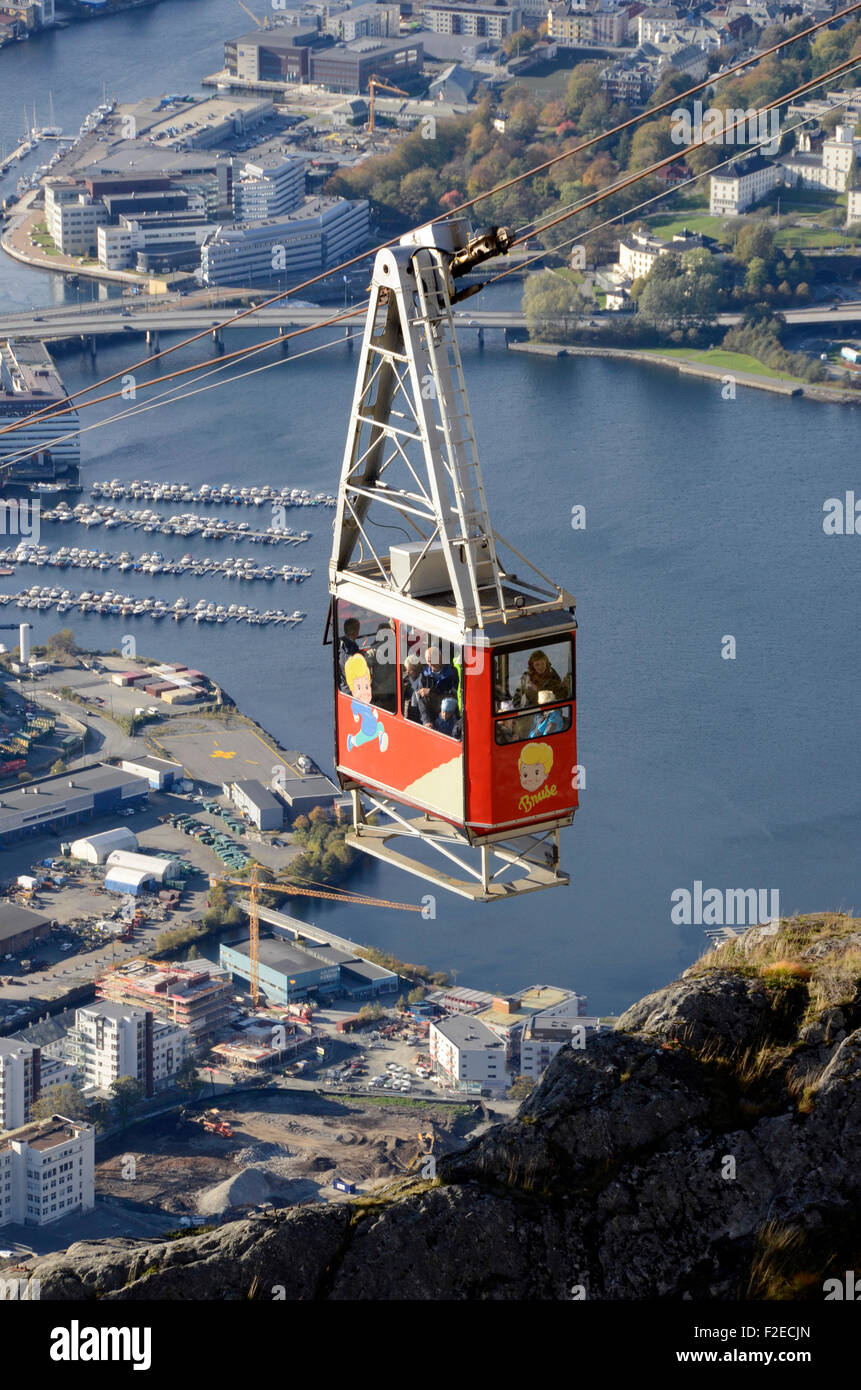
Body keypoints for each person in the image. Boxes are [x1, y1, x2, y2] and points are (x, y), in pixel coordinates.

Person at [343, 653, 388, 752]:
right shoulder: (357, 704)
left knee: (380, 726)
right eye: (359, 687)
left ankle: (381, 738)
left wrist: (375, 715)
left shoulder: (370, 702)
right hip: (366, 730)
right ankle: (352, 740)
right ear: (353, 691)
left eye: (367, 686)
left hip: (373, 725)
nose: (365, 692)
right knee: (361, 739)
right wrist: (356, 716)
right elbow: (354, 708)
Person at [419, 645, 458, 722]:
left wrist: (432, 693)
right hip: (431, 713)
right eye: (429, 661)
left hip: (449, 714)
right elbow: (422, 700)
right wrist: (427, 721)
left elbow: (454, 697)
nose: (432, 664)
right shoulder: (424, 674)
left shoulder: (452, 672)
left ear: (441, 658)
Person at [402, 654, 432, 726]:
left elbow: (423, 701)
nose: (407, 673)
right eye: (407, 670)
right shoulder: (405, 679)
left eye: (410, 671)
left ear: (417, 669)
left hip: (423, 715)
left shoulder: (426, 679)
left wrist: (426, 720)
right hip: (409, 712)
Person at [338, 617, 361, 693]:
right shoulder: (351, 648)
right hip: (351, 690)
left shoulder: (340, 644)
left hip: (343, 687)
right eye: (358, 629)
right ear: (354, 631)